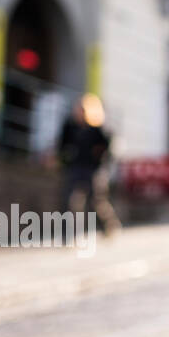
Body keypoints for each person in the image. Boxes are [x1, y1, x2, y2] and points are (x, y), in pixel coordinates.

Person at [56, 93, 121, 236]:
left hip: (93, 169)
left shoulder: (98, 130)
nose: (80, 113)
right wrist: (64, 159)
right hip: (75, 167)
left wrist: (99, 159)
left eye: (83, 110)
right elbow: (61, 146)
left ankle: (109, 227)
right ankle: (68, 233)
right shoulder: (70, 126)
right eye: (78, 109)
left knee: (96, 202)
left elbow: (108, 148)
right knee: (69, 200)